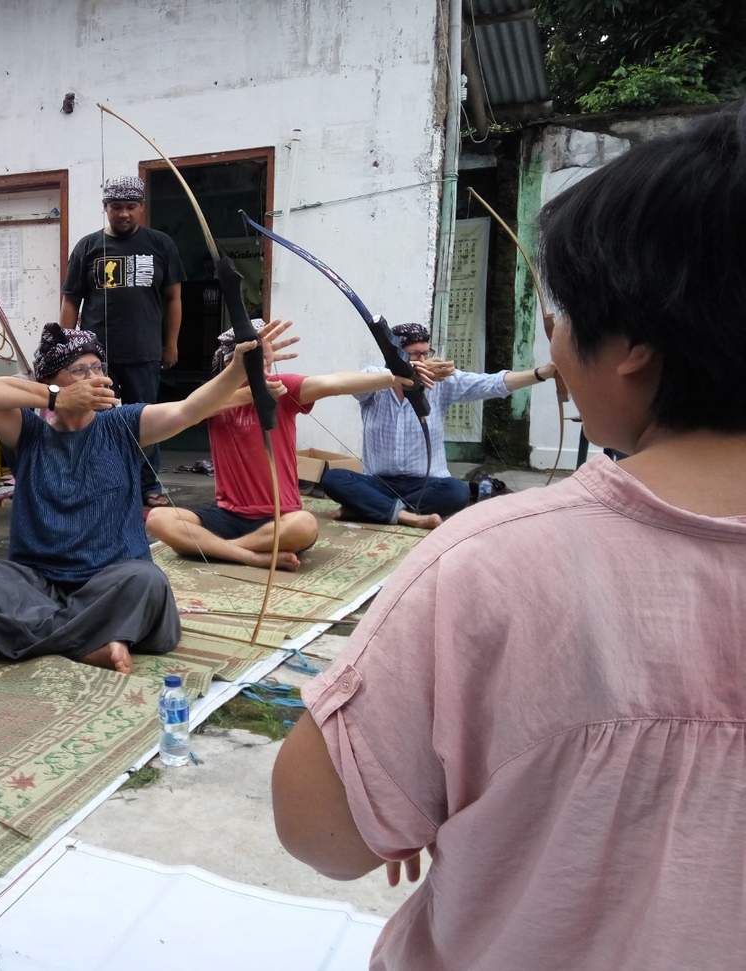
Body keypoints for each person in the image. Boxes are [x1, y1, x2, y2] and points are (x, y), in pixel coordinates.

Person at [271, 103, 746, 970]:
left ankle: (416, 509)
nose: (555, 345)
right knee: (342, 481)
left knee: (468, 490)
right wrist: (398, 370)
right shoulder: (384, 390)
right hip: (381, 484)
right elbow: (338, 383)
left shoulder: (486, 563)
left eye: (562, 315)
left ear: (633, 346)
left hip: (436, 501)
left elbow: (320, 828)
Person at [0, 320, 279, 675]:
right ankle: (89, 643)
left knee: (147, 581)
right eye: (78, 370)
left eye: (97, 367)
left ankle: (51, 635)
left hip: (110, 582)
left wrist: (235, 371)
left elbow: (188, 410)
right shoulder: (28, 433)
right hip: (36, 583)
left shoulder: (122, 424)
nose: (93, 376)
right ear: (50, 382)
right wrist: (56, 400)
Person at [147, 321, 421, 568]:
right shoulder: (214, 400)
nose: (264, 368)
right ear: (233, 365)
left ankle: (221, 549)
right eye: (254, 361)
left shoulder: (282, 388)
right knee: (159, 519)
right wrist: (250, 393)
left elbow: (333, 382)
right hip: (227, 516)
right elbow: (185, 409)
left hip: (280, 519)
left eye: (265, 360)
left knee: (305, 525)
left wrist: (392, 377)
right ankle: (250, 556)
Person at [318, 322, 556, 528]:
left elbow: (492, 383)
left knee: (457, 492)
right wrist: (396, 376)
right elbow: (345, 384)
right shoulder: (375, 379)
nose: (422, 361)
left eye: (425, 353)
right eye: (413, 355)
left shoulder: (440, 381)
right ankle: (410, 517)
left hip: (426, 484)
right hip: (379, 482)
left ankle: (370, 510)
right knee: (333, 478)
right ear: (395, 356)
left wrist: (541, 373)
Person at [60, 175, 185, 507]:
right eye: (116, 207)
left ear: (142, 208)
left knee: (144, 419)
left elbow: (174, 297)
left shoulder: (160, 245)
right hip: (93, 358)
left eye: (131, 207)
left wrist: (170, 342)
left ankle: (149, 485)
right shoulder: (87, 247)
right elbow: (71, 301)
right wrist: (66, 349)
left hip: (144, 350)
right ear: (106, 208)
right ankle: (100, 482)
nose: (124, 214)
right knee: (95, 418)